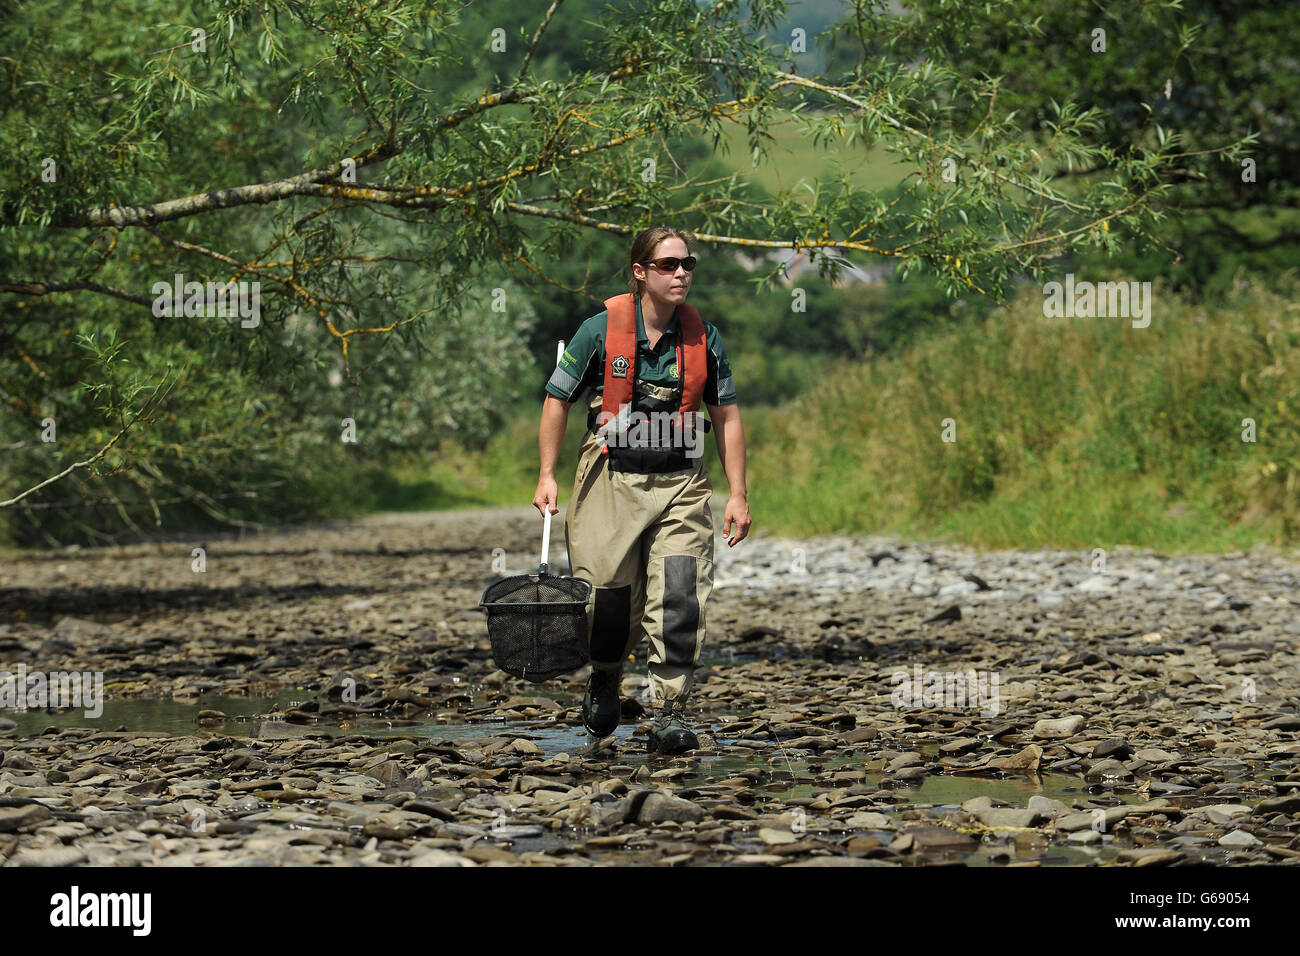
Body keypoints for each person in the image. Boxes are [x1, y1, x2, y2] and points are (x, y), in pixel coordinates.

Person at [533, 226, 751, 754]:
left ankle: (670, 709)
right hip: (609, 478)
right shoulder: (599, 331)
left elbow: (726, 416)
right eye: (668, 265)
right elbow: (557, 400)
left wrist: (739, 493)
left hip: (681, 482)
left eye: (688, 264)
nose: (681, 274)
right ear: (640, 272)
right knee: (606, 601)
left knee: (680, 594)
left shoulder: (706, 338)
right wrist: (546, 473)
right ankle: (605, 676)